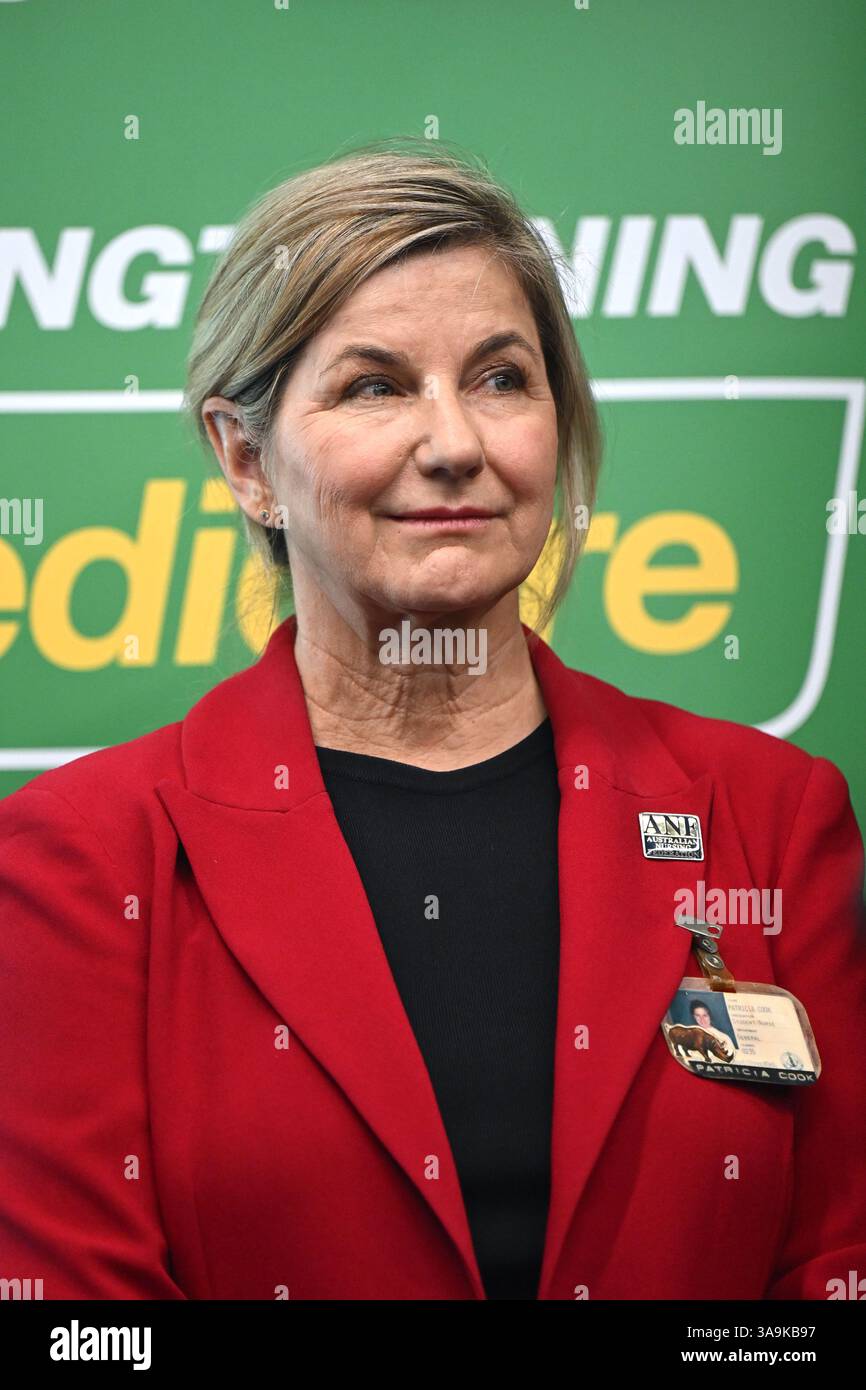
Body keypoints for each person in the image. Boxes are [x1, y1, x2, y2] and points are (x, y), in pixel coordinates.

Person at [1, 141, 865, 1302]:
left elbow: (834, 1270)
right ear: (246, 457)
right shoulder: (77, 858)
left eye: (502, 378)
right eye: (375, 385)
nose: (454, 441)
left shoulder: (766, 817)